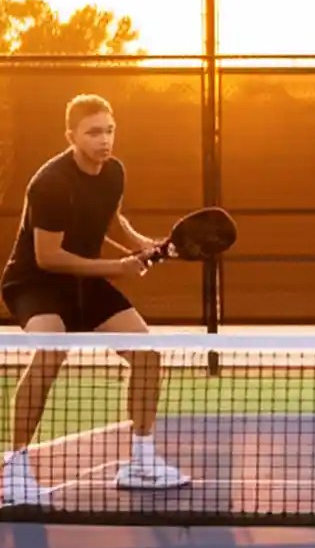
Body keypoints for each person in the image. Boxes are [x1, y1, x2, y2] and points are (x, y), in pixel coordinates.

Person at [1, 94, 191, 507]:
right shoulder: (50, 184)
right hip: (35, 283)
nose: (104, 140)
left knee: (146, 354)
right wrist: (118, 267)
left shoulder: (113, 172)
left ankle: (142, 461)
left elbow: (110, 221)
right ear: (71, 136)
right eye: (93, 133)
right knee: (51, 352)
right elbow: (48, 257)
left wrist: (144, 245)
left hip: (84, 282)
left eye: (109, 130)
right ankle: (15, 468)